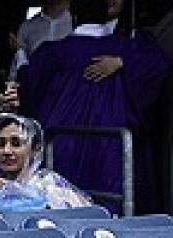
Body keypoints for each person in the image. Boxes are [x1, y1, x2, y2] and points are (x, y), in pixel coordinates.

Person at [20, 0, 168, 214]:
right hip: (113, 152)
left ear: (72, 14)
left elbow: (29, 94)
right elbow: (155, 74)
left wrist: (21, 57)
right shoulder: (129, 50)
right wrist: (125, 62)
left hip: (62, 147)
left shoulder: (51, 54)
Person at [0, 113, 93, 214]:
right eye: (1, 144)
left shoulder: (49, 183)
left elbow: (84, 213)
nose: (7, 151)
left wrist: (22, 194)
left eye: (16, 143)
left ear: (35, 149)